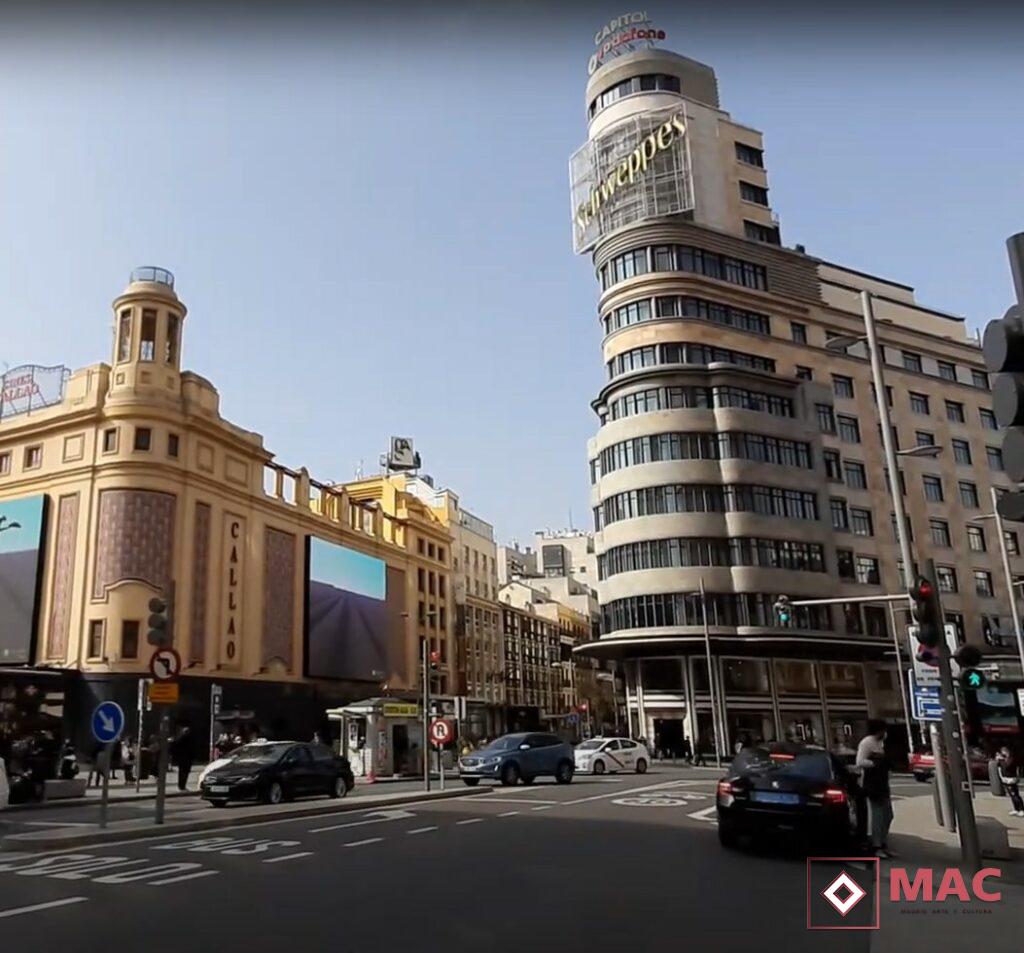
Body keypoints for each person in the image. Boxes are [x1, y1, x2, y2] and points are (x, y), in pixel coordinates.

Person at [856, 719, 894, 858]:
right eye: (883, 730)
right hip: (873, 784)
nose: (885, 732)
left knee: (888, 815)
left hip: (883, 783)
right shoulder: (867, 742)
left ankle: (883, 843)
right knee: (878, 816)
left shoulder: (880, 743)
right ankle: (877, 846)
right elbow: (860, 761)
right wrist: (875, 763)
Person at [996, 746, 1024, 817]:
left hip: (1012, 778)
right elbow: (999, 768)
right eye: (1002, 753)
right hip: (1005, 778)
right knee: (1011, 795)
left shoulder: (1011, 759)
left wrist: (1017, 777)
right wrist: (1001, 777)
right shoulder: (1001, 761)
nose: (1003, 754)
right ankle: (1016, 809)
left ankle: (1021, 809)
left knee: (1015, 794)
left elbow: (1013, 768)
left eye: (1005, 752)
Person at [169, 725, 196, 792]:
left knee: (182, 772)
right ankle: (182, 786)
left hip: (182, 759)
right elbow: (192, 749)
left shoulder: (181, 739)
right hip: (186, 759)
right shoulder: (189, 739)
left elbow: (175, 746)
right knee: (184, 773)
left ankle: (181, 786)